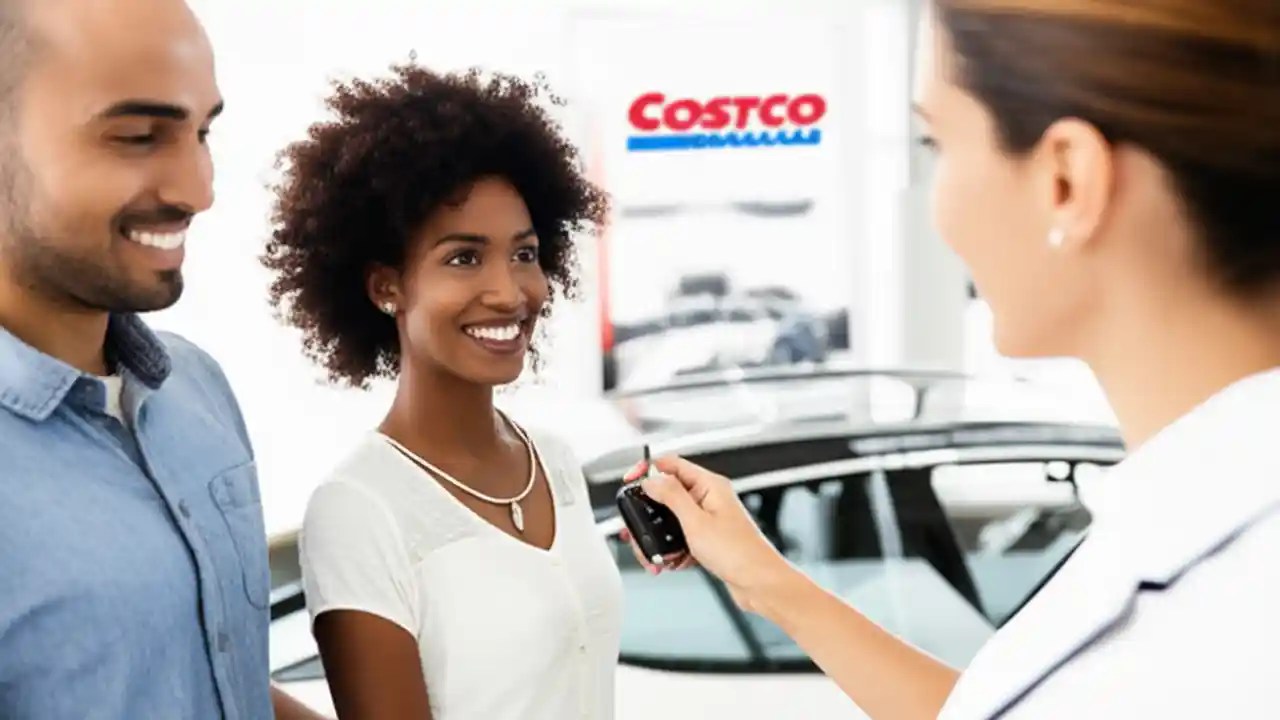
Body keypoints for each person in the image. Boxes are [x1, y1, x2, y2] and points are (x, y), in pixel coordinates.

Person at [625, 1, 1280, 718]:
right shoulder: (1193, 534)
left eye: (937, 144)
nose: (938, 208)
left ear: (1066, 179)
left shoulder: (1224, 611)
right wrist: (766, 581)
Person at [262, 63, 623, 720]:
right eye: (463, 257)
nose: (511, 291)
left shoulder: (556, 462)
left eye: (523, 253)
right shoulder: (359, 511)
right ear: (385, 287)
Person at [0, 0, 325, 718]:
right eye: (140, 136)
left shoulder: (195, 389)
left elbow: (197, 678)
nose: (198, 190)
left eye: (202, 131)